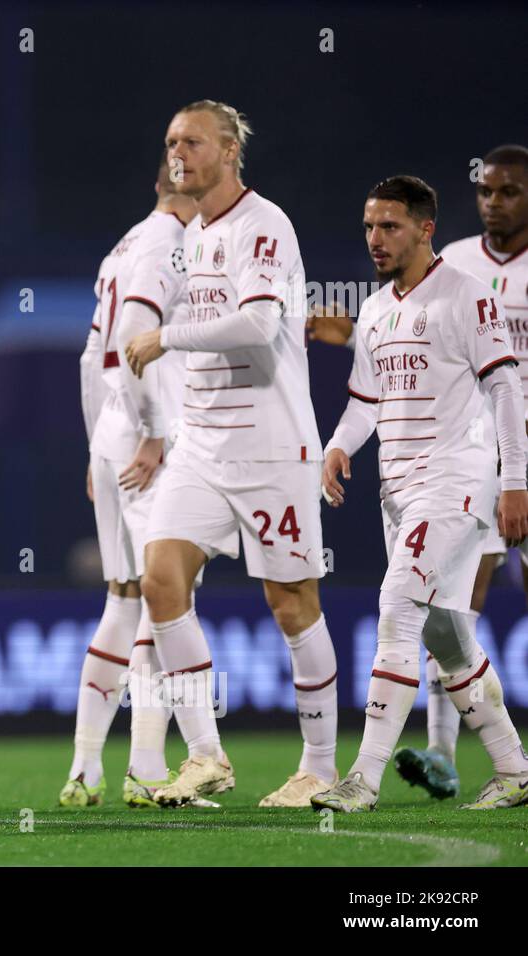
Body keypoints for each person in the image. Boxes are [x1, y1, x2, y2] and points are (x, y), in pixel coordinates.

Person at [126, 100, 339, 808]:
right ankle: (207, 755)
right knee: (160, 581)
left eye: (190, 141)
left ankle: (319, 767)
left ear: (228, 150)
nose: (176, 152)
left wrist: (166, 339)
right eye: (169, 142)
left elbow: (255, 324)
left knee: (290, 602)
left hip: (270, 446)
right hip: (203, 445)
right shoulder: (192, 236)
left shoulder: (262, 224)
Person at [313, 175, 528, 812]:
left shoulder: (468, 296)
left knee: (397, 607)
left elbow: (505, 392)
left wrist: (514, 482)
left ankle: (365, 777)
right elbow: (364, 402)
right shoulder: (377, 309)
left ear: (425, 228)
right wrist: (338, 446)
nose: (375, 239)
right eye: (370, 227)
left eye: (390, 226)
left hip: (456, 484)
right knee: (447, 637)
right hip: (397, 492)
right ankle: (516, 770)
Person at [63, 154, 209, 808]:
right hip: (153, 437)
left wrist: (101, 440)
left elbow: (92, 357)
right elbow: (130, 342)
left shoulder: (122, 245)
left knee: (124, 600)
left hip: (112, 435)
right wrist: (152, 430)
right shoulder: (172, 244)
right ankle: (147, 765)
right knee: (165, 597)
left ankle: (85, 768)